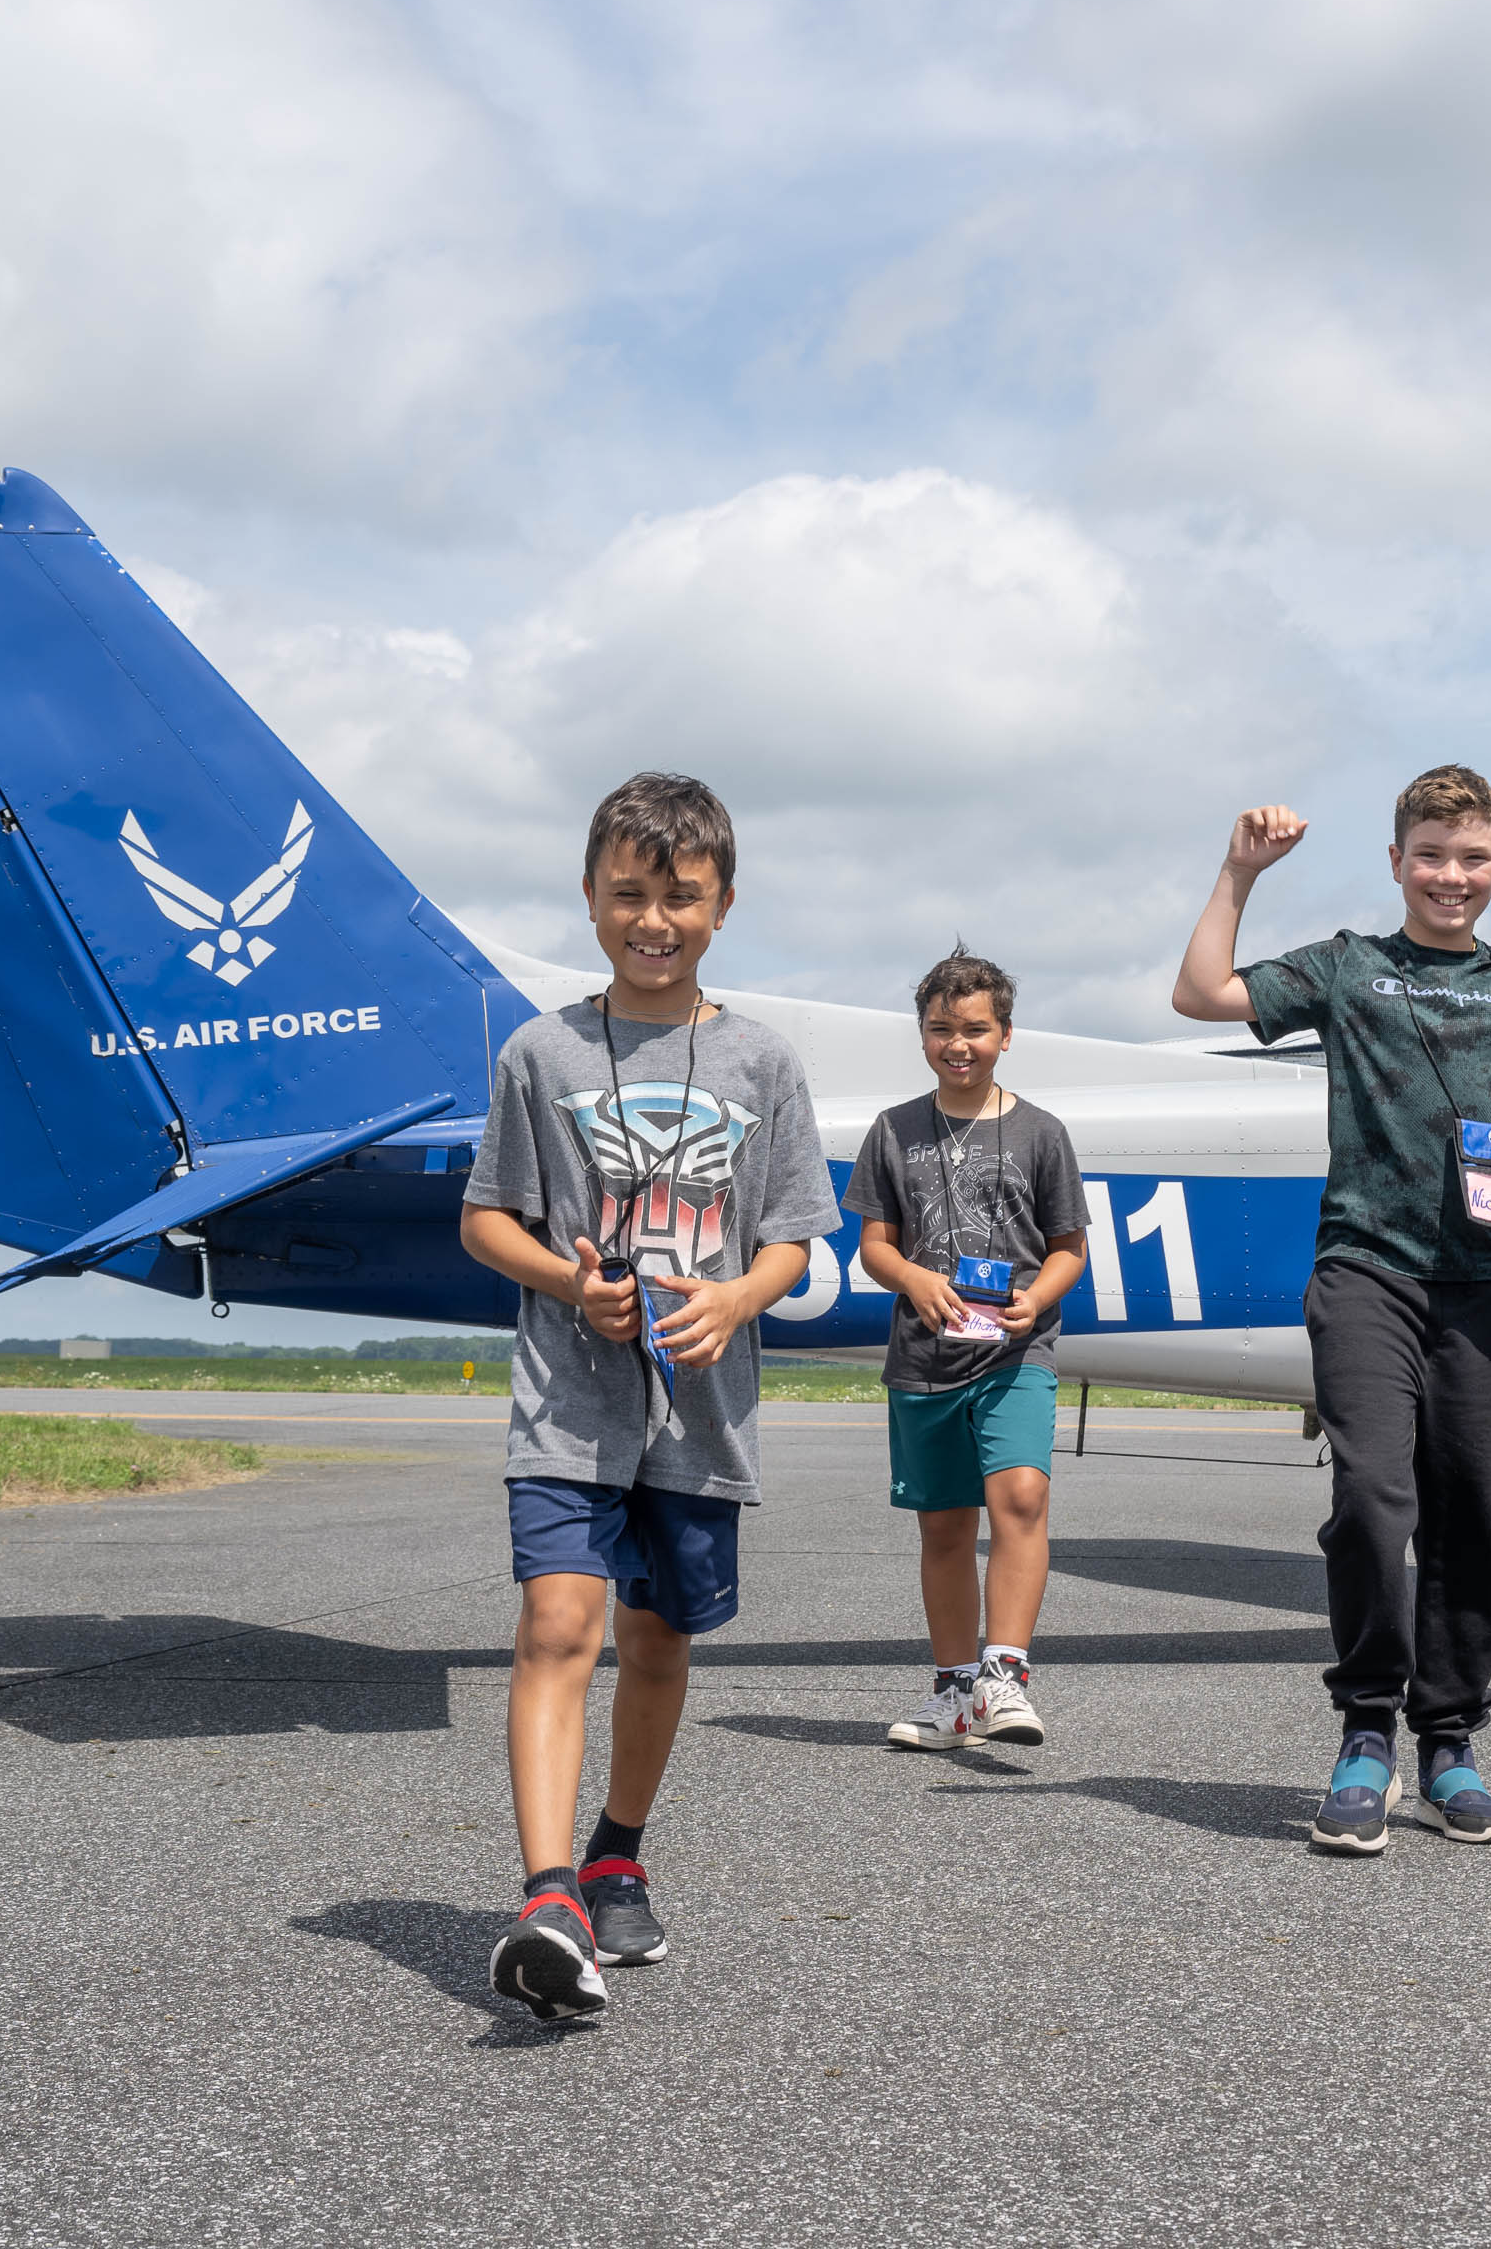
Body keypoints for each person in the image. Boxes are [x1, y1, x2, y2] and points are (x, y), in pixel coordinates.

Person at [1170, 766, 1491, 1854]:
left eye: (1471, 859)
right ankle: (1366, 1730)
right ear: (1398, 860)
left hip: (1485, 1282)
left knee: (1472, 1518)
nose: (1449, 876)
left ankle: (1448, 1745)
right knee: (1372, 1497)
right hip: (1368, 1267)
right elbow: (1204, 994)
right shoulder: (1349, 969)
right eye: (1430, 855)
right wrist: (1239, 872)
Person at [459, 771, 839, 2020]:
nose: (653, 919)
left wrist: (736, 1300)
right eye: (628, 893)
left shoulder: (763, 1060)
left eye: (680, 895)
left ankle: (619, 1850)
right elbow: (486, 1224)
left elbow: (791, 1237)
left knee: (658, 1639)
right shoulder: (539, 1051)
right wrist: (571, 1287)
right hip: (566, 1404)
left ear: (723, 904)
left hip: (703, 1417)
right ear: (589, 897)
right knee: (559, 1624)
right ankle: (548, 1892)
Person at [844, 949, 1092, 1754]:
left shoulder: (1041, 1133)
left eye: (976, 1029)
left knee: (1020, 1497)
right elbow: (874, 1247)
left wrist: (1037, 1299)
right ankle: (954, 1695)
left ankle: (1004, 1677)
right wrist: (914, 1280)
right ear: (922, 1036)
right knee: (944, 1529)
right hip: (923, 1361)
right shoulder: (893, 1130)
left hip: (1015, 1354)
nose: (959, 1044)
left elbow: (1068, 1249)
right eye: (941, 1029)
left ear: (1006, 1035)